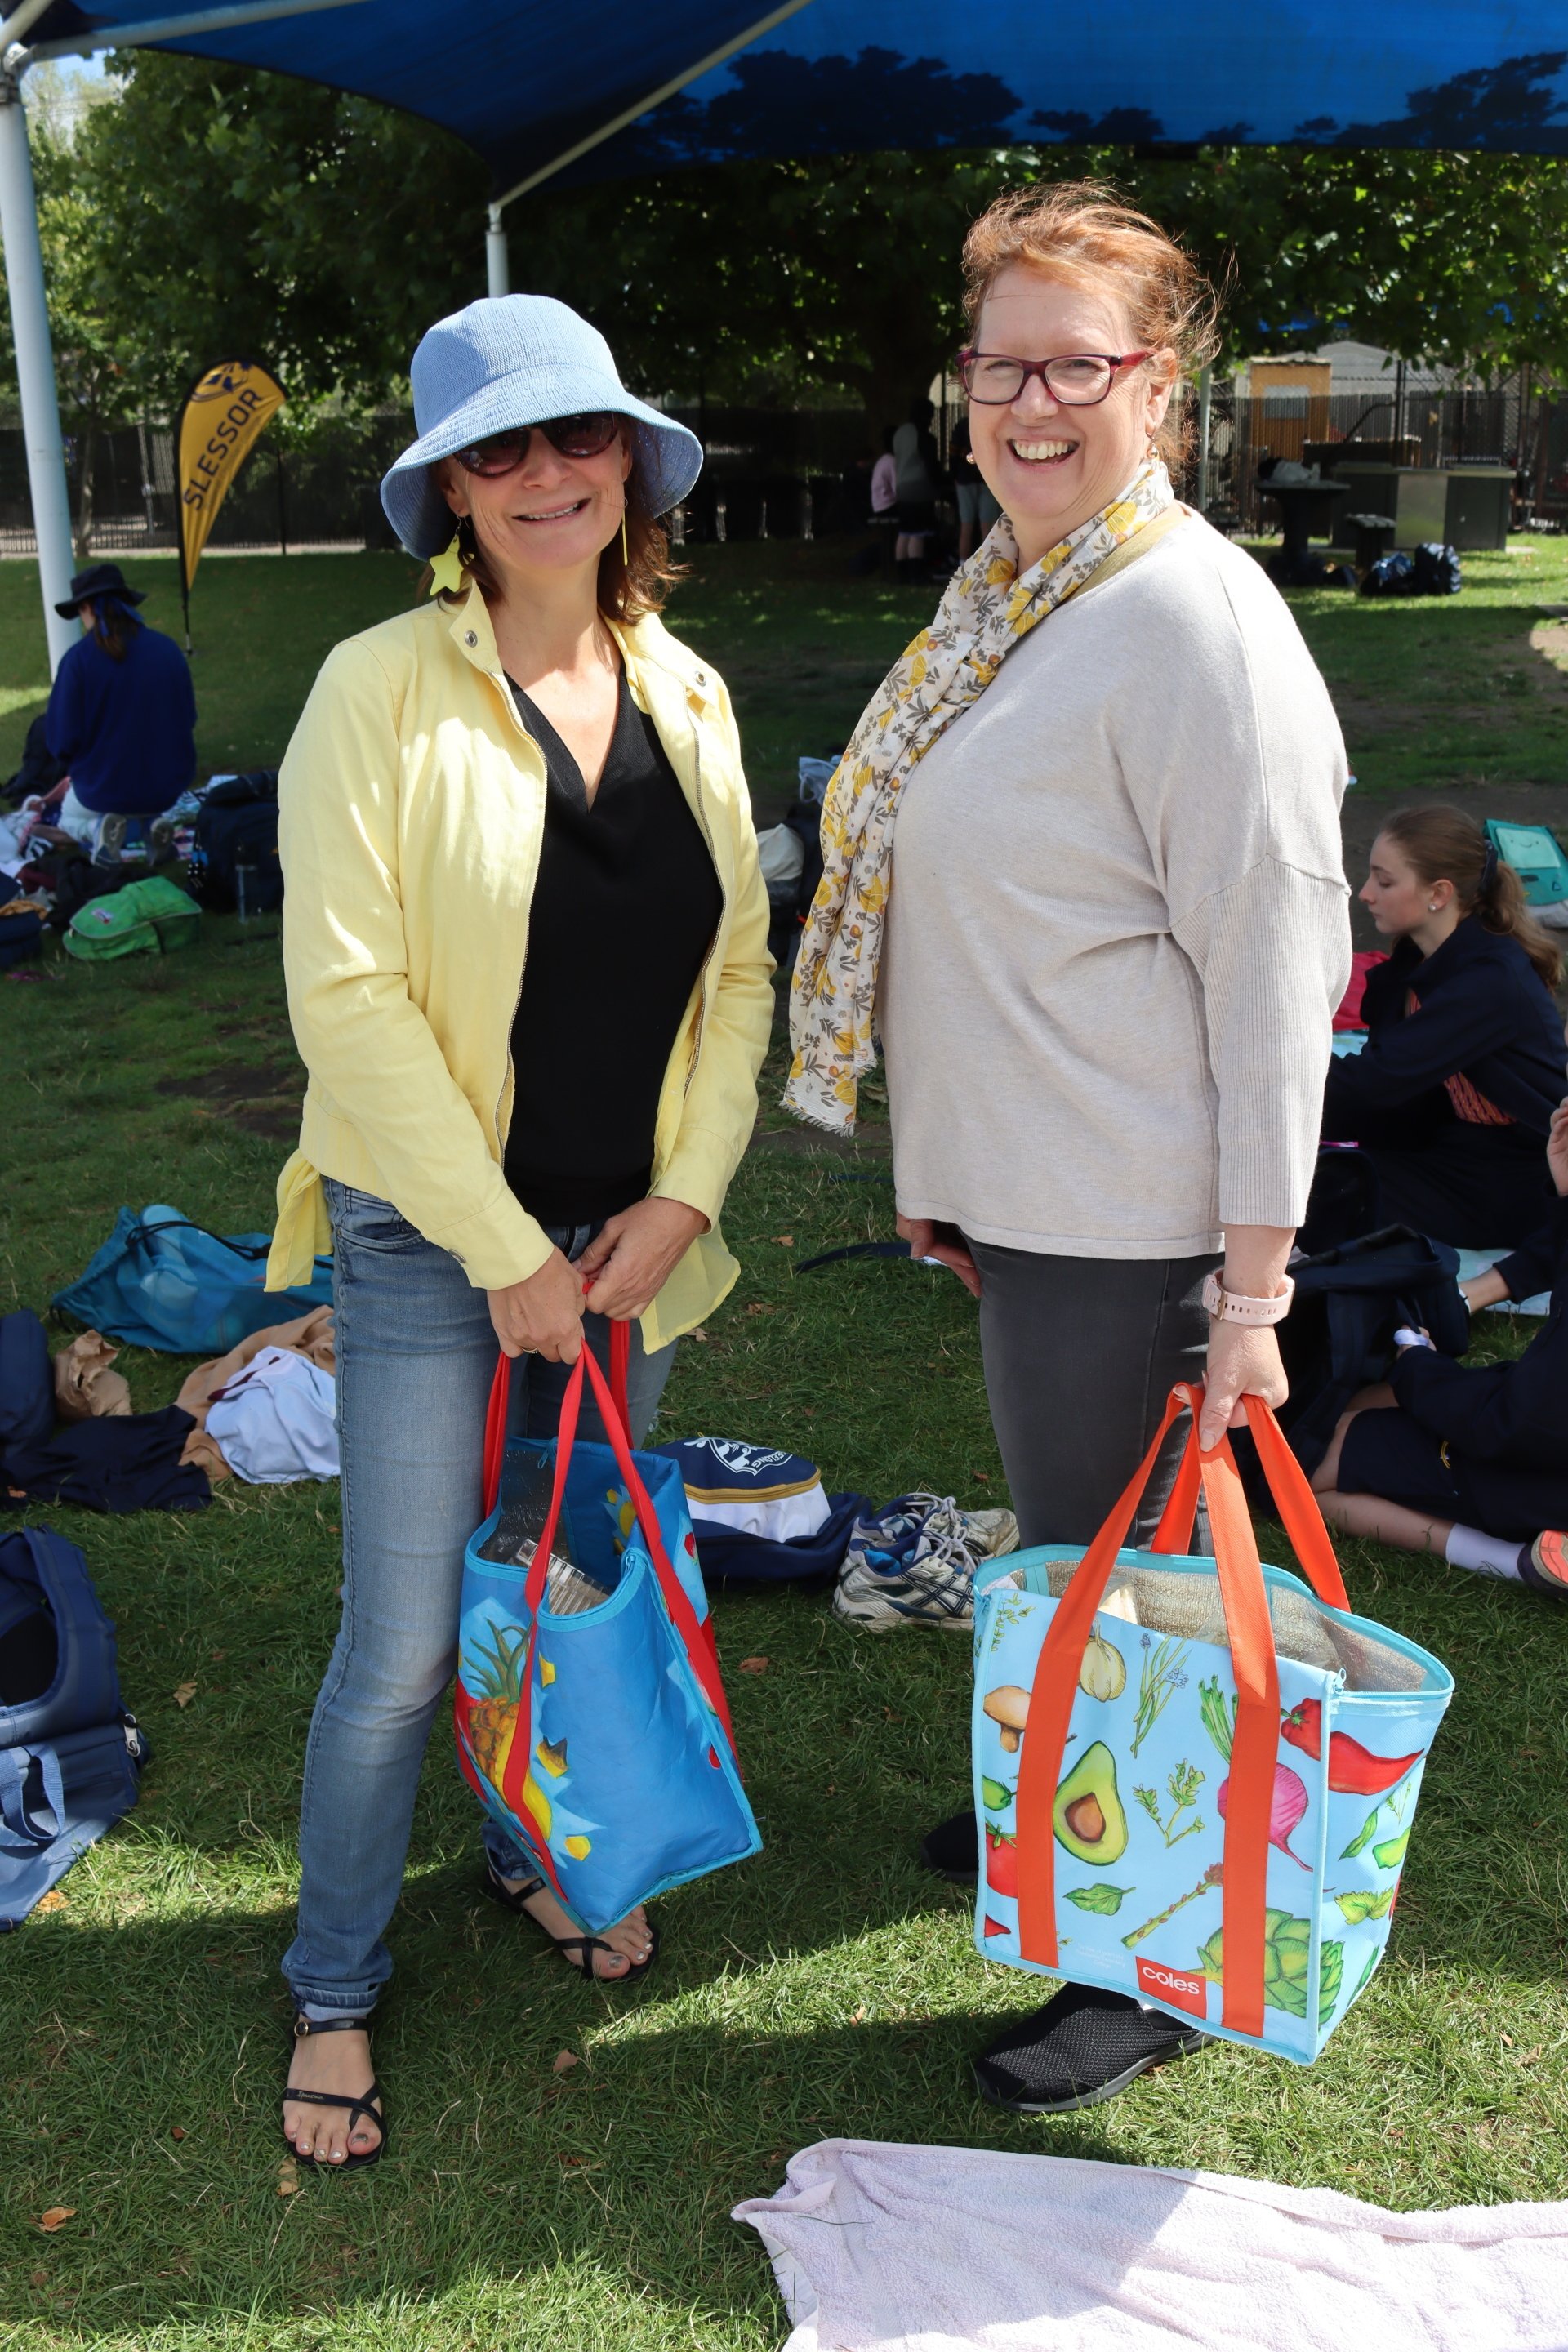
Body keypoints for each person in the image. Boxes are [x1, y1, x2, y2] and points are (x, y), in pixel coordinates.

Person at [787, 182, 1351, 2114]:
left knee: (1147, 1596)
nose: (1030, 404)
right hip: (1030, 1200)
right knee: (1071, 1561)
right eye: (998, 364)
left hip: (1142, 1224)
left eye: (1074, 367)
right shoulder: (1014, 593)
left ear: (1158, 382)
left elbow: (1281, 972)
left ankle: (1145, 1960)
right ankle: (1068, 1806)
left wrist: (1253, 1293)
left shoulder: (1197, 625)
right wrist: (943, 1166)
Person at [266, 294, 773, 2171]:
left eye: (578, 437)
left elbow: (737, 974)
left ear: (630, 459)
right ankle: (331, 1985)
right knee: (402, 1640)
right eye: (502, 450)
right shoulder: (368, 693)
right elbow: (349, 1003)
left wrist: (682, 1198)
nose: (548, 473)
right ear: (449, 498)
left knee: (551, 1600)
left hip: (621, 1248)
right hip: (431, 1247)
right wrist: (504, 1254)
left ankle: (525, 1848)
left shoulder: (696, 690)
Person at [1311, 1099, 1568, 1597]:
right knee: (1361, 1403)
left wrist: (1417, 1365)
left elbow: (1511, 1426)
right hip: (1540, 1432)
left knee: (1304, 1462)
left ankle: (1516, 1561)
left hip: (1540, 1474)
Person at [1321, 807, 1566, 1247]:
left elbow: (1373, 1081)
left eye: (1385, 881)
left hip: (1520, 1180)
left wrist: (1269, 1096)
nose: (1365, 894)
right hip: (1452, 1149)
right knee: (1310, 1176)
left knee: (1323, 1196)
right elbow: (1383, 1090)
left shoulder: (1488, 982)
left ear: (1439, 893)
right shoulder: (1419, 962)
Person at [41, 563, 195, 860]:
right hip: (167, 784)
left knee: (68, 818)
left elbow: (61, 741)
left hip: (103, 788)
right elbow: (188, 718)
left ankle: (100, 832)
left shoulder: (78, 661)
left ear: (86, 607)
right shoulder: (167, 650)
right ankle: (151, 829)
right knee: (129, 803)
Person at [892, 396, 942, 578]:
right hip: (919, 488)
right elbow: (931, 466)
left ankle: (901, 573)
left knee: (904, 532)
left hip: (901, 487)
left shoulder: (900, 432)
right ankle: (916, 574)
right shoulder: (924, 436)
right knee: (918, 533)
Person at [949, 413, 1000, 560]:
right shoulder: (990, 421)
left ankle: (962, 566)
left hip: (966, 479)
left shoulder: (962, 425)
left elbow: (953, 454)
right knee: (987, 526)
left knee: (967, 525)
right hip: (986, 478)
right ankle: (986, 568)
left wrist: (955, 476)